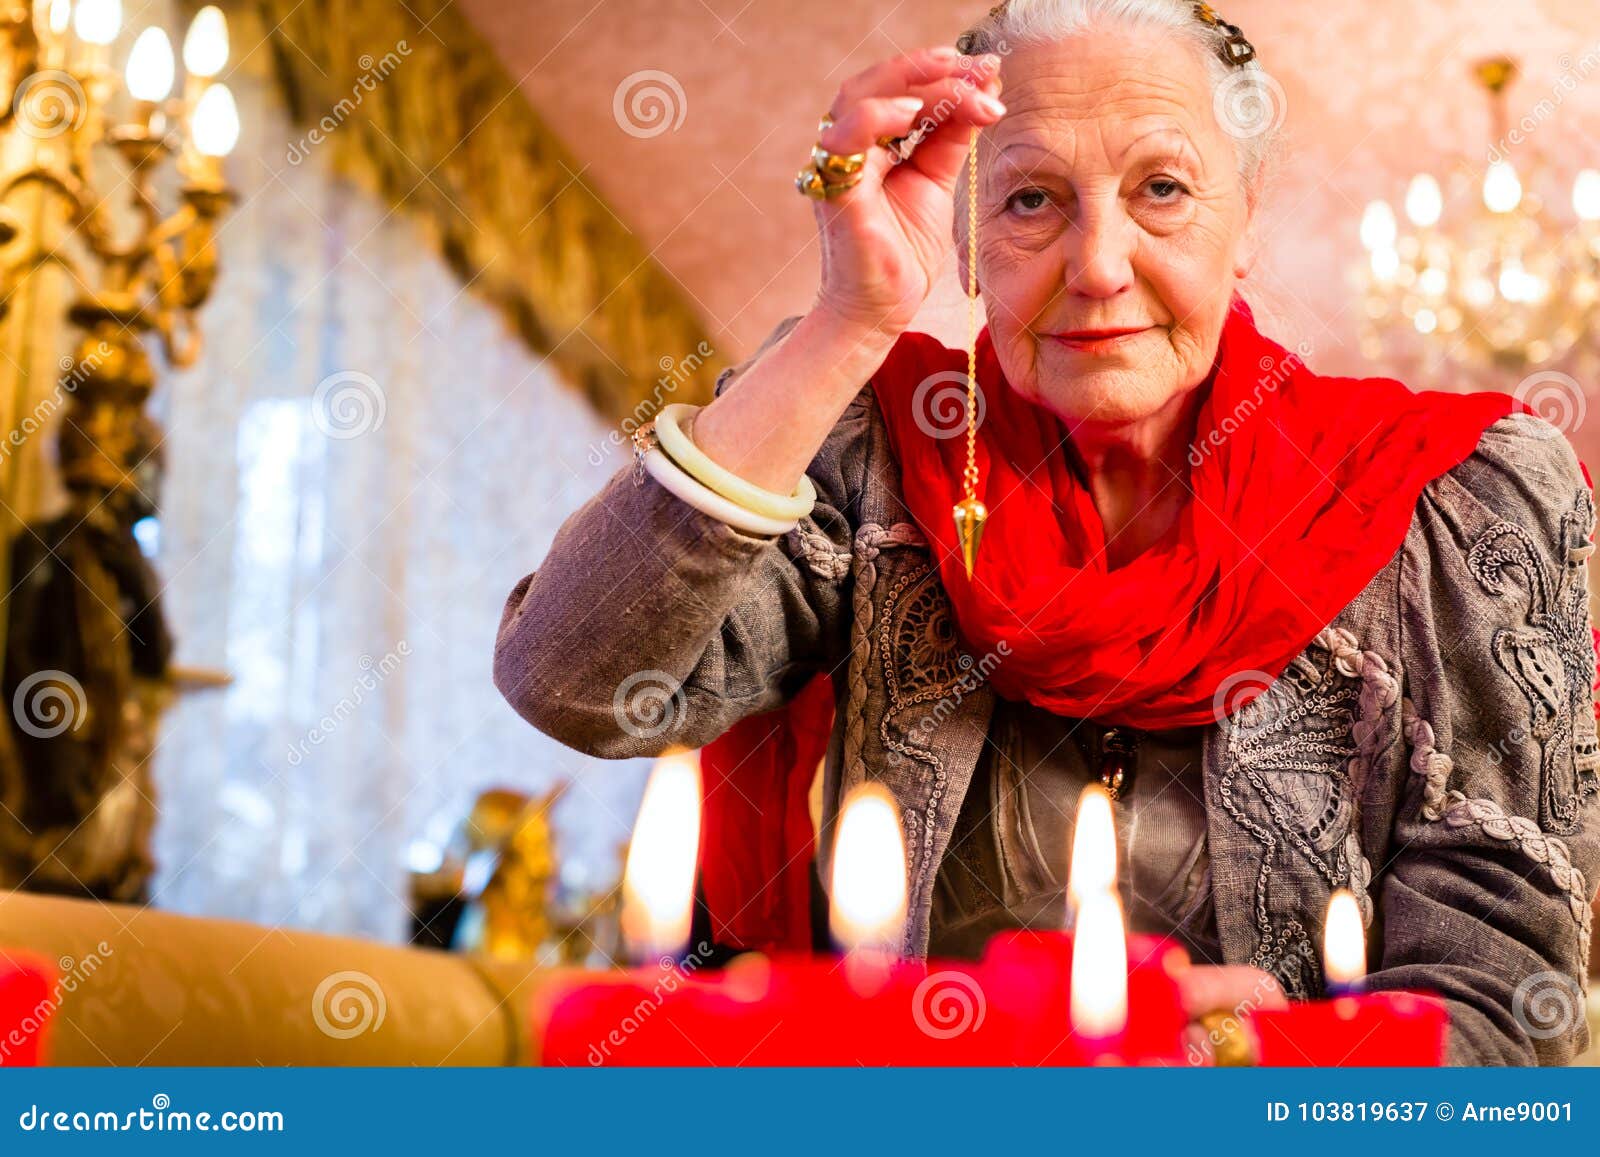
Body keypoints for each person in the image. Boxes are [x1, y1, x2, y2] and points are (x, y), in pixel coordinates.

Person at [494, 0, 1600, 1064]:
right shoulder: (867, 444)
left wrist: (1217, 1054)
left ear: (1246, 220)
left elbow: (1511, 1011)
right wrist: (846, 320)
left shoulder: (1455, 498)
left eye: (1161, 188)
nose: (1098, 266)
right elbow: (577, 679)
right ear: (969, 233)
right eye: (1030, 200)